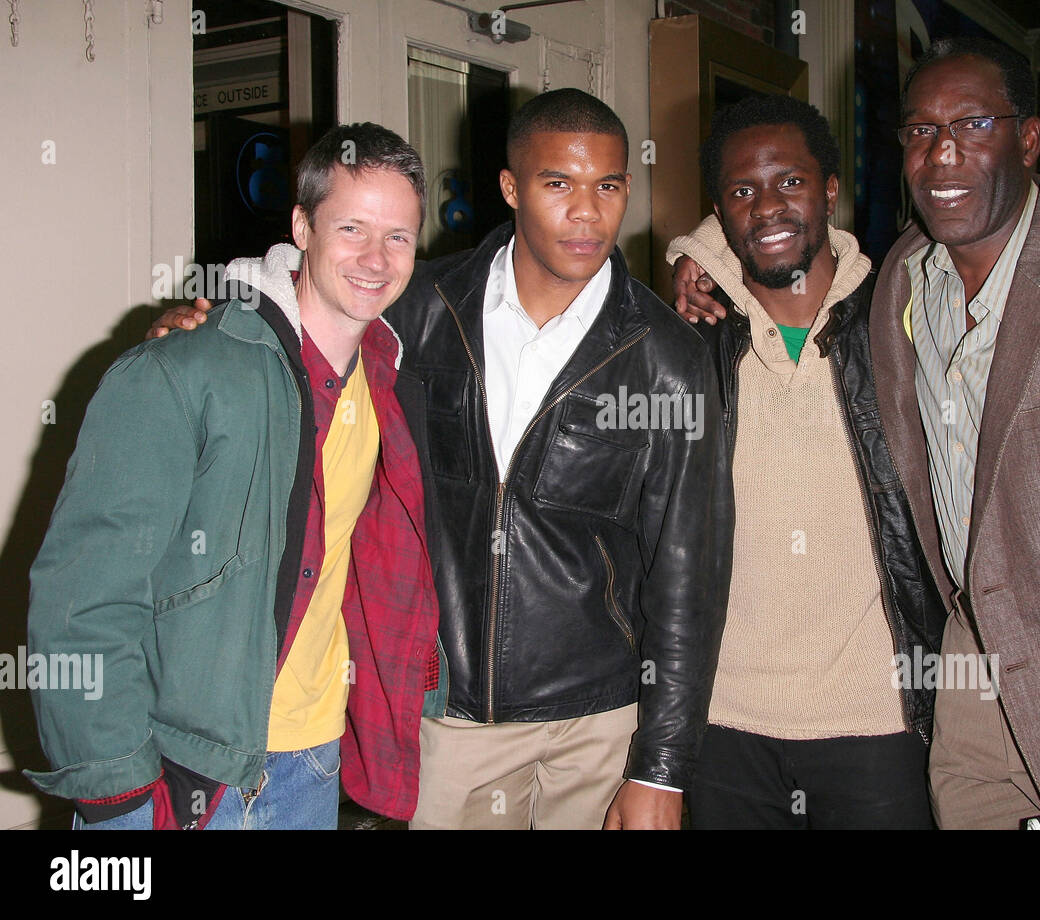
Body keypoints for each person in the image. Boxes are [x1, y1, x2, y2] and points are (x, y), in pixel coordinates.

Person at [676, 37, 1040, 830]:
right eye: (920, 132)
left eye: (974, 125)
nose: (943, 153)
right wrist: (696, 252)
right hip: (968, 692)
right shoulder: (906, 281)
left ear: (1028, 138)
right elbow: (783, 252)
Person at [153, 89, 732, 830]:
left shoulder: (667, 357)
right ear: (512, 187)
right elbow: (299, 306)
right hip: (447, 715)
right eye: (558, 184)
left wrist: (662, 767)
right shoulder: (416, 309)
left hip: (600, 725)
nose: (587, 214)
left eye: (609, 186)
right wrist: (208, 324)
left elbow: (693, 572)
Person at [27, 123, 439, 829]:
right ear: (302, 228)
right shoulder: (183, 370)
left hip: (313, 764)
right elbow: (82, 597)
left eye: (398, 236)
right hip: (182, 774)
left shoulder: (390, 386)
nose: (376, 258)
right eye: (352, 228)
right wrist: (117, 792)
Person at [666, 95, 945, 828]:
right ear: (718, 213)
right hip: (722, 722)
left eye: (790, 182)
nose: (767, 207)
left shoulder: (902, 321)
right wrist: (692, 254)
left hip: (878, 721)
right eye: (740, 192)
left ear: (830, 190)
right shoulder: (686, 347)